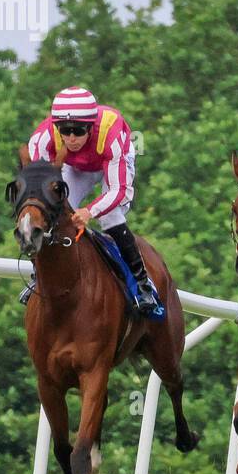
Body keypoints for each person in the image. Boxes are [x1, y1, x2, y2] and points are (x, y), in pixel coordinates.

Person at [21, 86, 158, 314]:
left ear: (91, 126)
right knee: (52, 211)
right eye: (65, 130)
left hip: (112, 164)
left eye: (78, 130)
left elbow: (119, 190)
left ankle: (142, 282)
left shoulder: (111, 134)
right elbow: (40, 188)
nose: (71, 138)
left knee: (109, 216)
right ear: (56, 127)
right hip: (77, 167)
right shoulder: (41, 140)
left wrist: (89, 211)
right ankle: (40, 275)